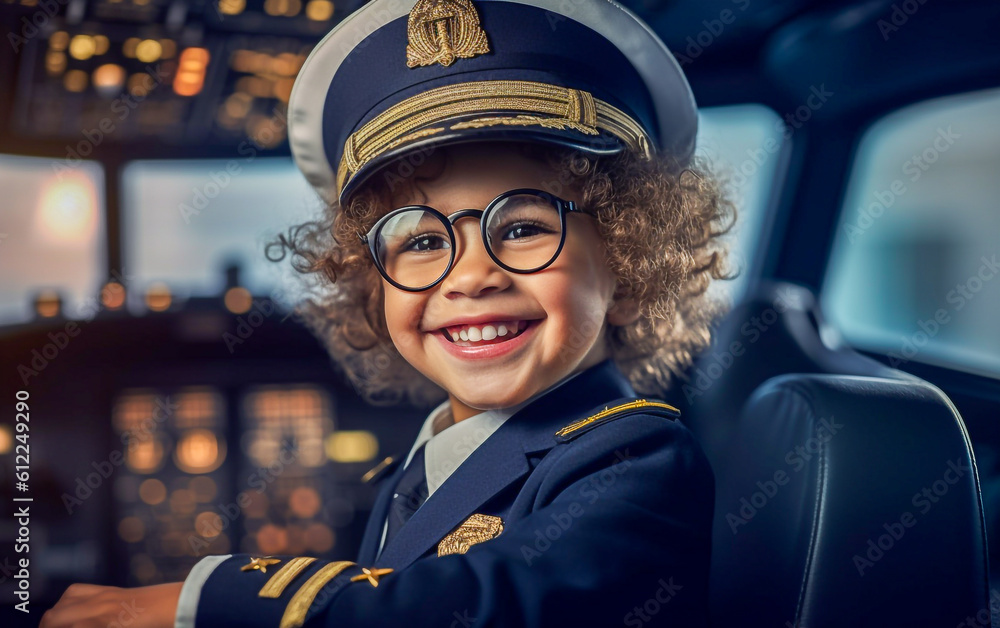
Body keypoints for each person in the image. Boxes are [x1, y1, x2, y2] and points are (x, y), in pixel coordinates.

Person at [40, 0, 735, 626]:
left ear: (631, 262)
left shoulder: (641, 463)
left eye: (523, 227)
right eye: (423, 240)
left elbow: (487, 604)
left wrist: (199, 597)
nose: (469, 276)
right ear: (372, 287)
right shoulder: (435, 455)